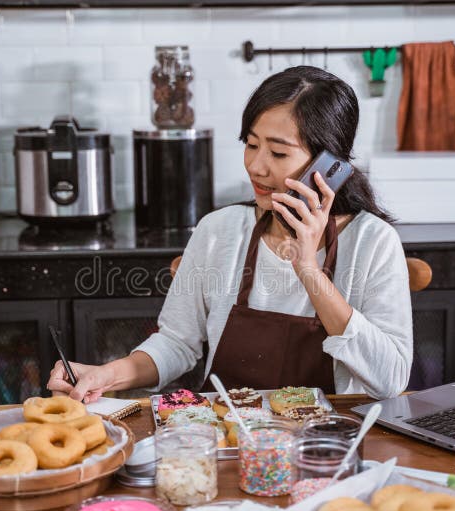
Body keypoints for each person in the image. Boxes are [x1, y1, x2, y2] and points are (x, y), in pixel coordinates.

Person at [48, 66, 413, 402]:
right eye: (251, 145)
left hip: (324, 447)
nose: (256, 166)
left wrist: (308, 269)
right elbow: (176, 343)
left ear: (328, 165)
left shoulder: (373, 243)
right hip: (225, 435)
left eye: (278, 152)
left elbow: (391, 378)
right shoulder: (219, 230)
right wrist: (105, 375)